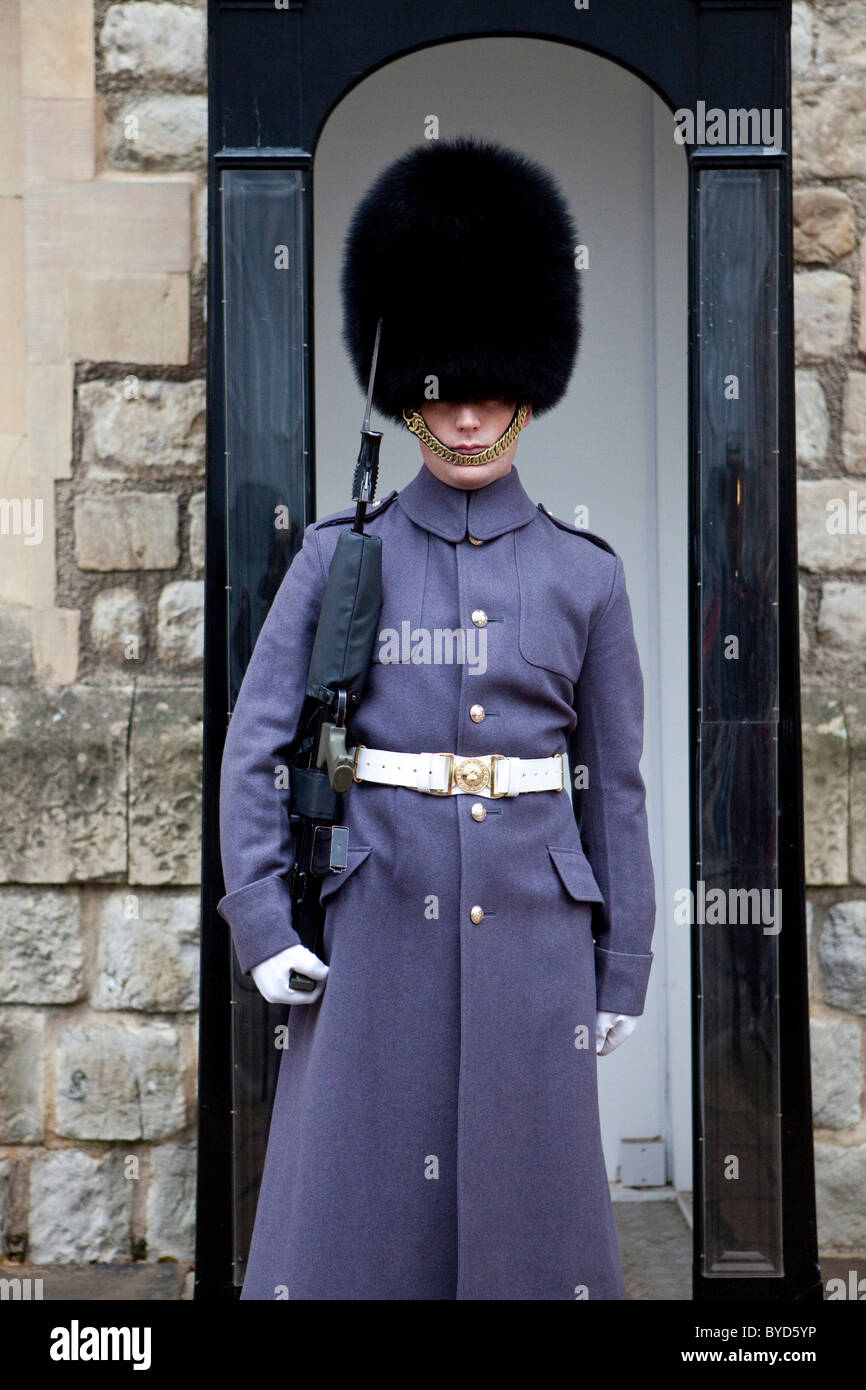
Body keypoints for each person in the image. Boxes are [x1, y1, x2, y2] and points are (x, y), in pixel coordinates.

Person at [217, 135, 656, 1300]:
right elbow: (256, 743)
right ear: (409, 393)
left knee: (529, 1233)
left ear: (527, 388)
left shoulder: (583, 577)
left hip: (534, 944)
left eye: (487, 393)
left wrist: (623, 967)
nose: (465, 422)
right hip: (373, 928)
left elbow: (612, 787)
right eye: (443, 393)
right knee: (354, 1224)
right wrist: (263, 922)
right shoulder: (337, 559)